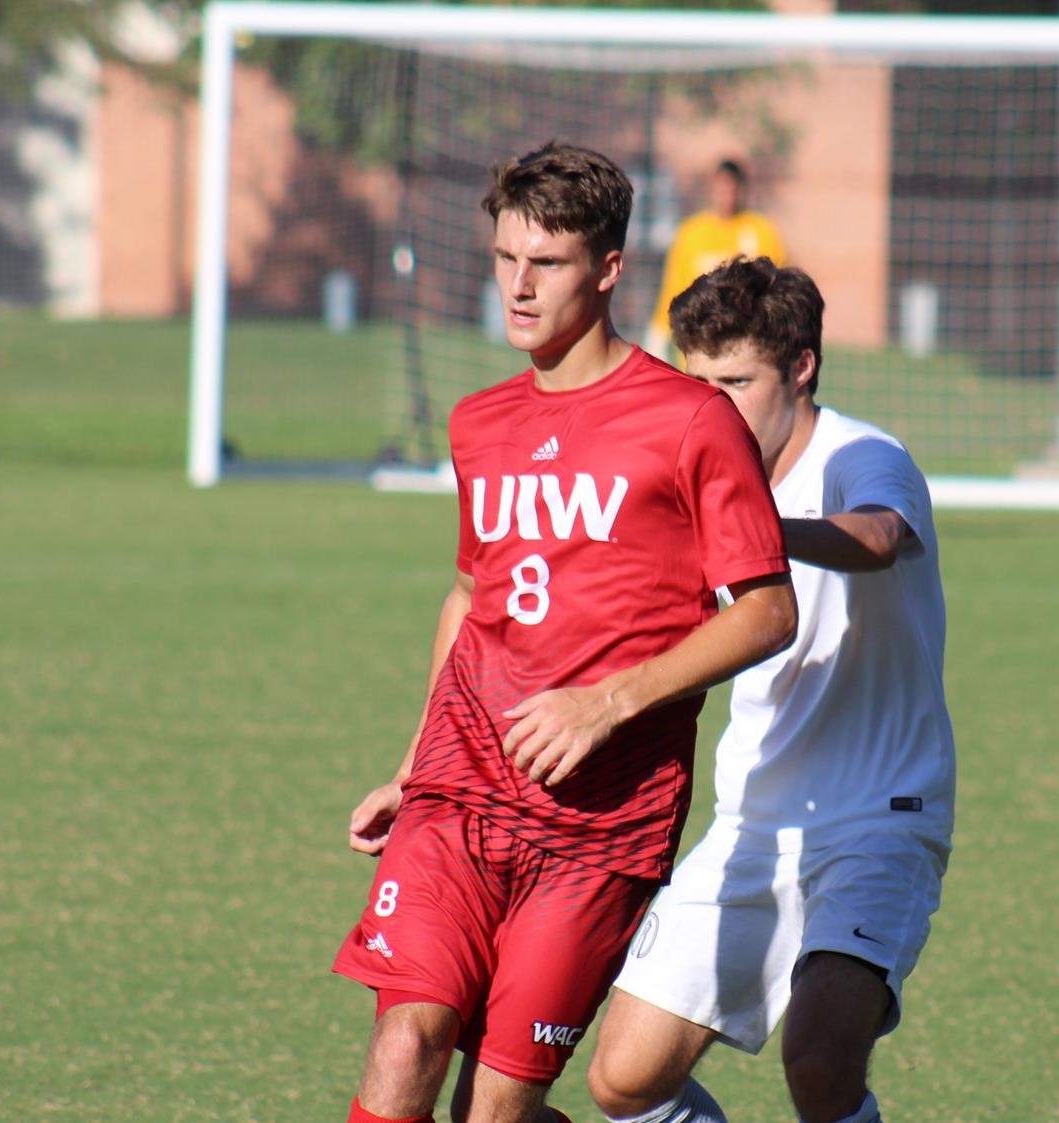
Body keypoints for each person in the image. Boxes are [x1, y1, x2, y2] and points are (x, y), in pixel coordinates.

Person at [331, 143, 799, 1123]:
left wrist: (609, 700)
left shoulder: (690, 421)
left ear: (610, 268)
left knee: (494, 1108)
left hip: (599, 828)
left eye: (544, 263)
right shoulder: (478, 422)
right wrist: (416, 766)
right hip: (459, 794)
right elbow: (470, 600)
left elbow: (766, 610)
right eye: (504, 258)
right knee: (404, 1037)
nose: (517, 285)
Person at [587, 258, 953, 1123]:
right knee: (625, 1081)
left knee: (820, 1059)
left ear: (801, 368)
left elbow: (876, 536)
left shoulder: (863, 452)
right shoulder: (691, 477)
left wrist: (759, 528)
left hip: (877, 815)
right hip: (751, 820)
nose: (712, 403)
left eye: (736, 381)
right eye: (698, 379)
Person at [643, 160, 788, 360]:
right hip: (698, 344)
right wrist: (658, 333)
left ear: (741, 189)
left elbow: (776, 289)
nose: (726, 193)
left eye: (732, 186)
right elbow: (674, 286)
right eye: (721, 186)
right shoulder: (691, 233)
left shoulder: (761, 231)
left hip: (744, 345)